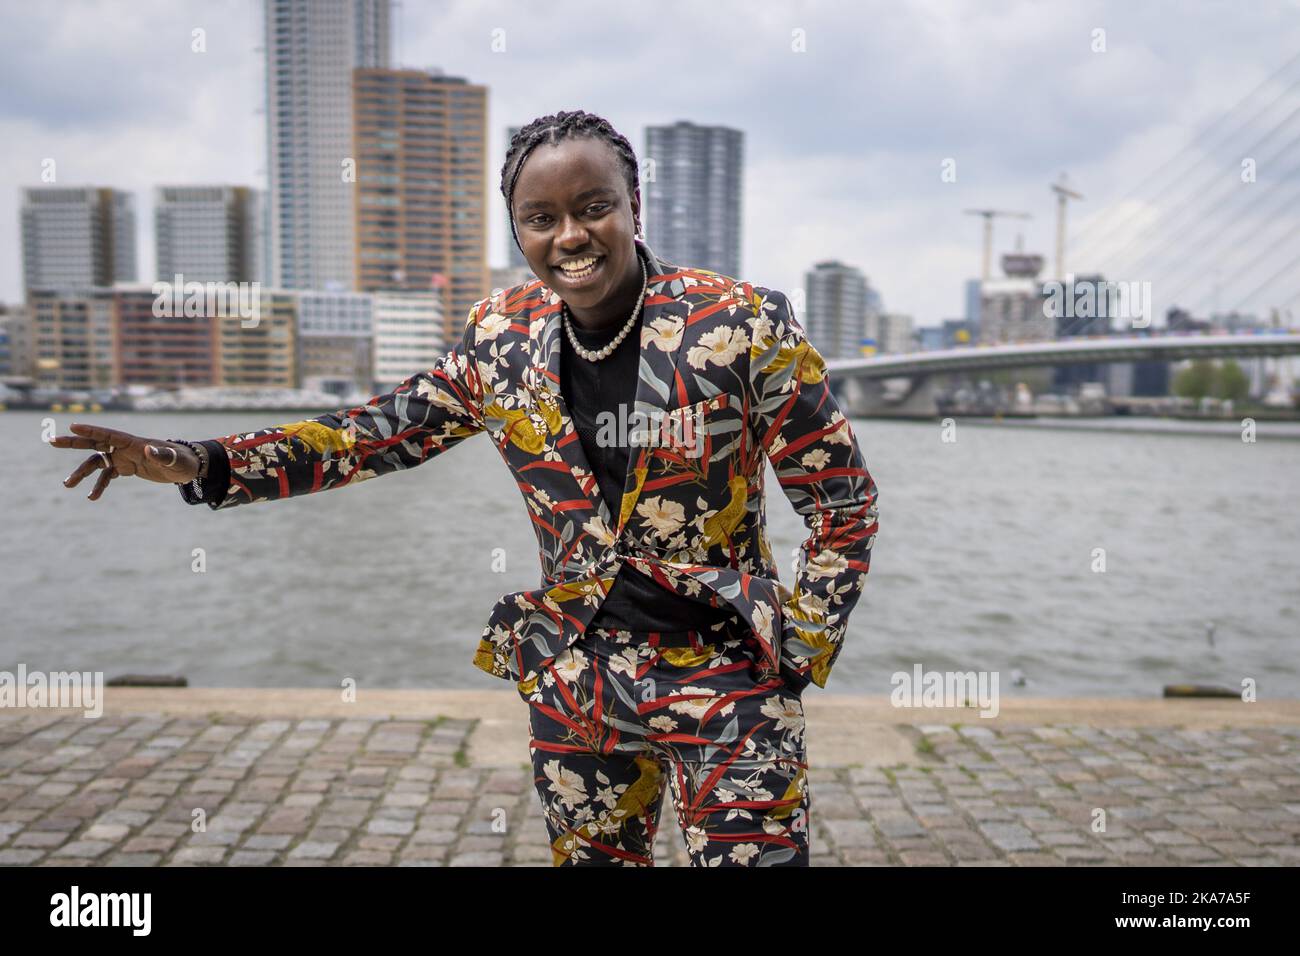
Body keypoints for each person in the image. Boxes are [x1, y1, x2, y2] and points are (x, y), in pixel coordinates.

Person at [52, 109, 880, 867]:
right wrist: (198, 461)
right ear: (519, 229)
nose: (571, 235)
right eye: (541, 217)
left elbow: (842, 503)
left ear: (634, 204)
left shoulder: (739, 325)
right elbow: (372, 436)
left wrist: (795, 654)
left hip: (729, 678)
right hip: (579, 680)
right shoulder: (502, 339)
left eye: (593, 206)